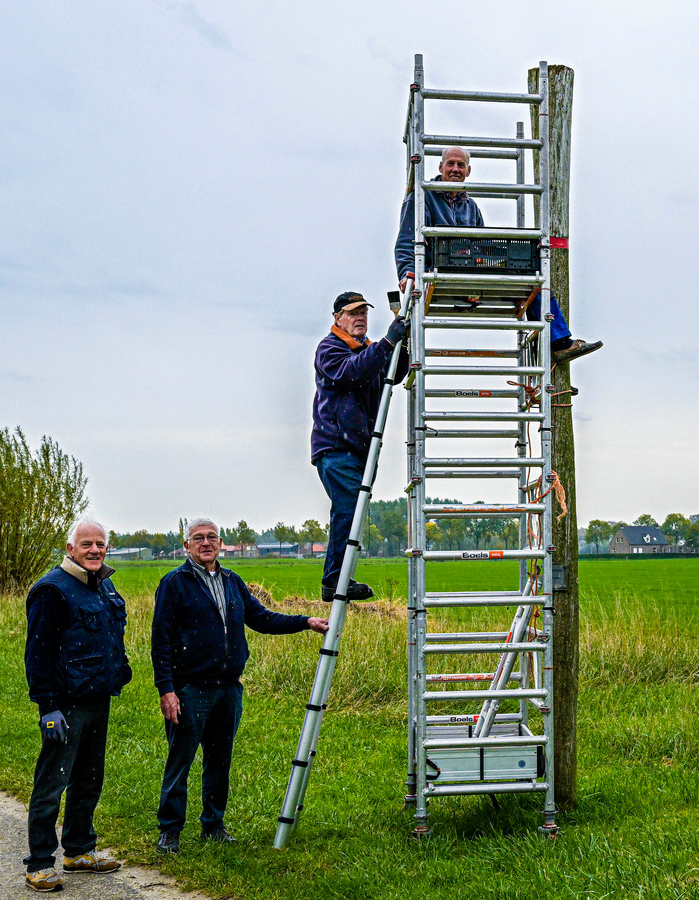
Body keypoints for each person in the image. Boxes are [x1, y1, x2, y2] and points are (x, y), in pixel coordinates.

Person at [151, 518, 328, 853]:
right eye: (198, 538)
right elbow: (160, 640)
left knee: (220, 761)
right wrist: (167, 689)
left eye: (212, 537)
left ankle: (213, 825)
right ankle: (170, 831)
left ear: (221, 542)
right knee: (181, 760)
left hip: (228, 689)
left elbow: (261, 618)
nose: (206, 543)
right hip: (190, 689)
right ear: (187, 545)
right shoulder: (175, 583)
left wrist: (305, 622)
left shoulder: (232, 581)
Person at [395, 145, 602, 364]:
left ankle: (554, 345)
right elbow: (406, 239)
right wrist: (407, 271)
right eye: (451, 164)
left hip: (469, 271)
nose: (455, 169)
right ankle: (556, 344)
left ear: (468, 170)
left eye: (461, 165)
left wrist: (493, 271)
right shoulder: (422, 197)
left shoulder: (470, 206)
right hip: (435, 271)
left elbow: (482, 248)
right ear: (441, 166)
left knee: (535, 275)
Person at [22, 518, 132, 892]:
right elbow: (37, 655)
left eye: (100, 544)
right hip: (64, 706)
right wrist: (47, 707)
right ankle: (39, 863)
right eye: (86, 544)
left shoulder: (103, 584)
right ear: (70, 549)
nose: (95, 550)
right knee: (53, 783)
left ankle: (79, 852)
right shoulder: (51, 591)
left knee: (88, 779)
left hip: (98, 699)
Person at [311, 291, 410, 601]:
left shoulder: (368, 350)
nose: (360, 318)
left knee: (353, 511)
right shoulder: (330, 350)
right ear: (338, 318)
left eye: (364, 313)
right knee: (348, 509)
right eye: (353, 313)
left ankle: (339, 577)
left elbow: (390, 374)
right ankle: (334, 580)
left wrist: (401, 345)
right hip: (336, 447)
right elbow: (354, 373)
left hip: (359, 449)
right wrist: (388, 343)